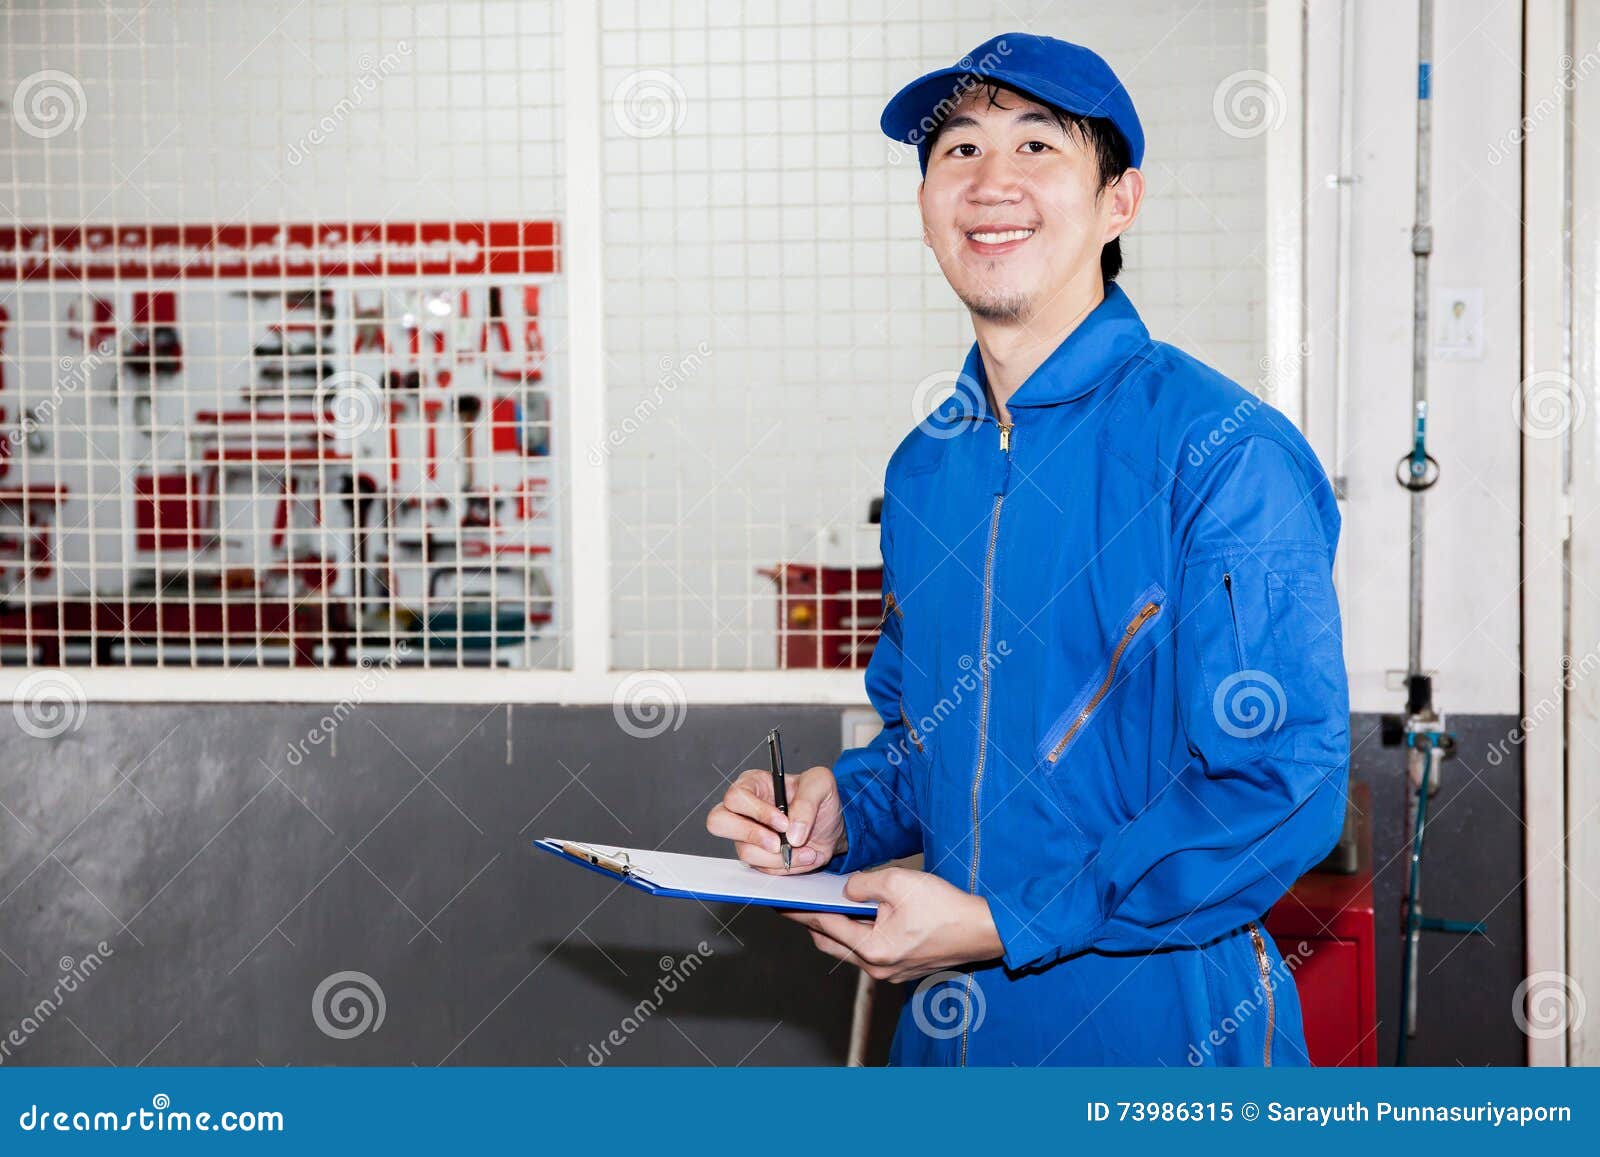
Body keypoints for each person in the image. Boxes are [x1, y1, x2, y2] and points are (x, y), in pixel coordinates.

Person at [706, 32, 1349, 1067]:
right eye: (956, 148)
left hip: (1164, 1032)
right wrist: (843, 807)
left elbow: (1279, 779)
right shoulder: (928, 469)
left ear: (1118, 202)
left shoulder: (1221, 452)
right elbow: (935, 748)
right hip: (952, 1030)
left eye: (1037, 146)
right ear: (926, 204)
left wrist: (1008, 922)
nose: (989, 180)